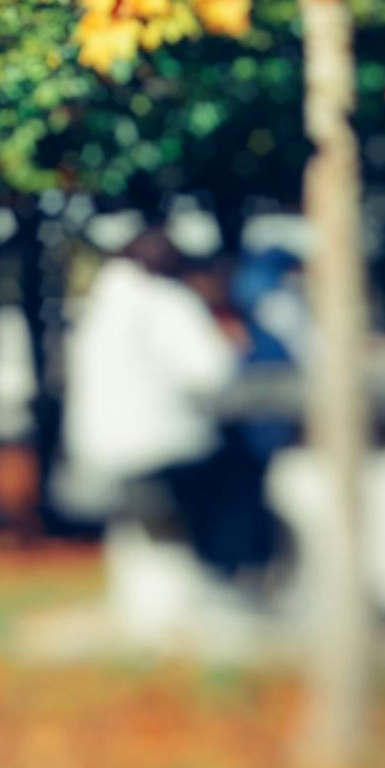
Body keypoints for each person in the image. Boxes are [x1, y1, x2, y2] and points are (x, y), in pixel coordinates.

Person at [61, 227, 251, 637]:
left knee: (143, 519)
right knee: (241, 470)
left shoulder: (100, 303)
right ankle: (221, 588)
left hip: (97, 448)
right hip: (160, 446)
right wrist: (233, 343)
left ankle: (146, 607)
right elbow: (211, 372)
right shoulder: (166, 302)